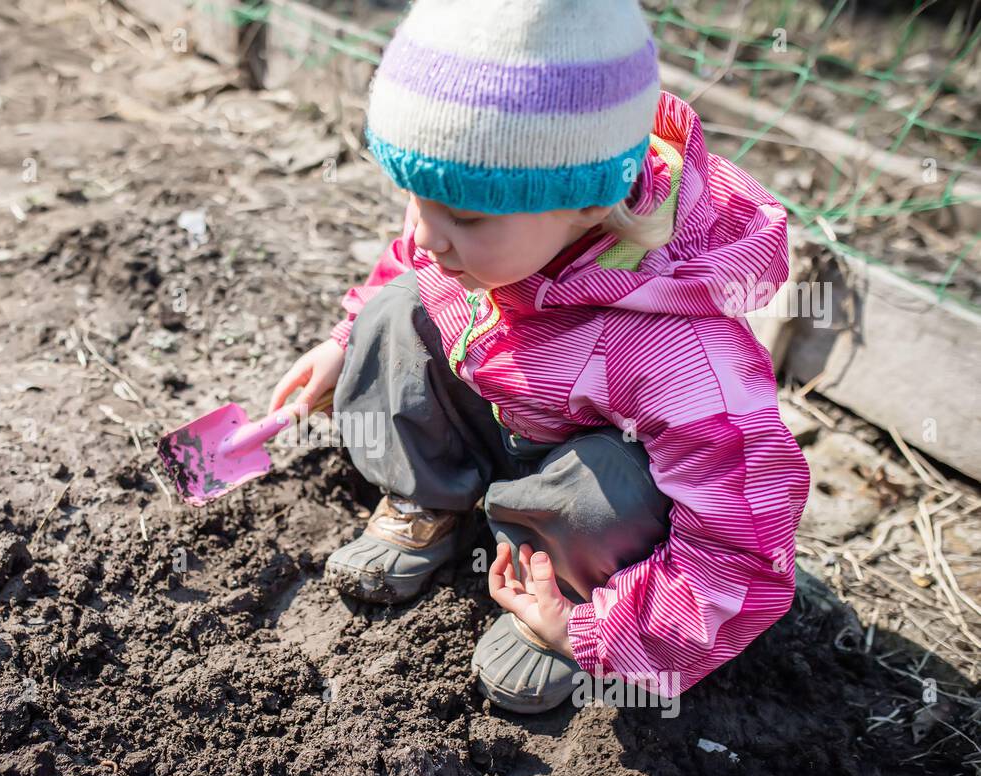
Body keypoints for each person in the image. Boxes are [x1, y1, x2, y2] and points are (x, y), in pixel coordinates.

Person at [268, 0, 810, 714]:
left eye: (465, 216)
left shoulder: (677, 352)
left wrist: (596, 633)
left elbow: (741, 556)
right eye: (414, 198)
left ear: (590, 204)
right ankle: (428, 497)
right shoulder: (482, 245)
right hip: (505, 412)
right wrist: (347, 346)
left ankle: (554, 592)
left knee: (617, 484)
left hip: (580, 494)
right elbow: (410, 262)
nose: (428, 235)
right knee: (397, 306)